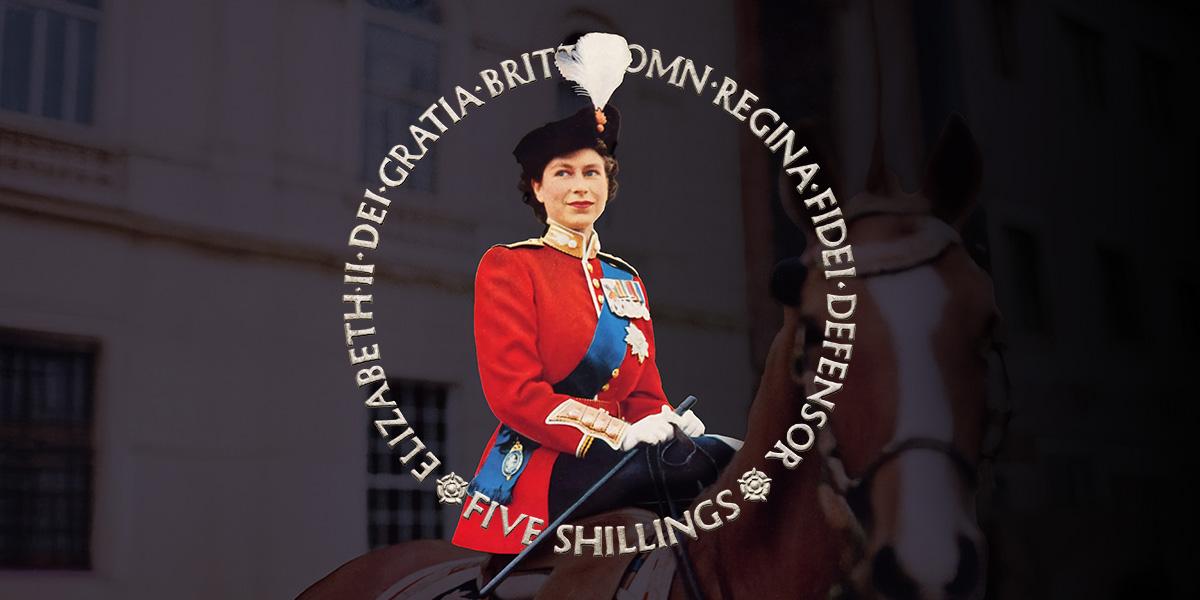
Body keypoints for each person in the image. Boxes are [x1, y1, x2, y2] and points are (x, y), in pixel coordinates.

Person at [451, 105, 737, 555]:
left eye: (592, 172)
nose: (581, 186)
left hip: (627, 455)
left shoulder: (626, 279)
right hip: (542, 464)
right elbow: (514, 394)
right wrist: (618, 434)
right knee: (699, 467)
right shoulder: (511, 266)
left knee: (721, 458)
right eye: (563, 173)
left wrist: (666, 421)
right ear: (537, 187)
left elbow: (644, 393)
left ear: (608, 185)